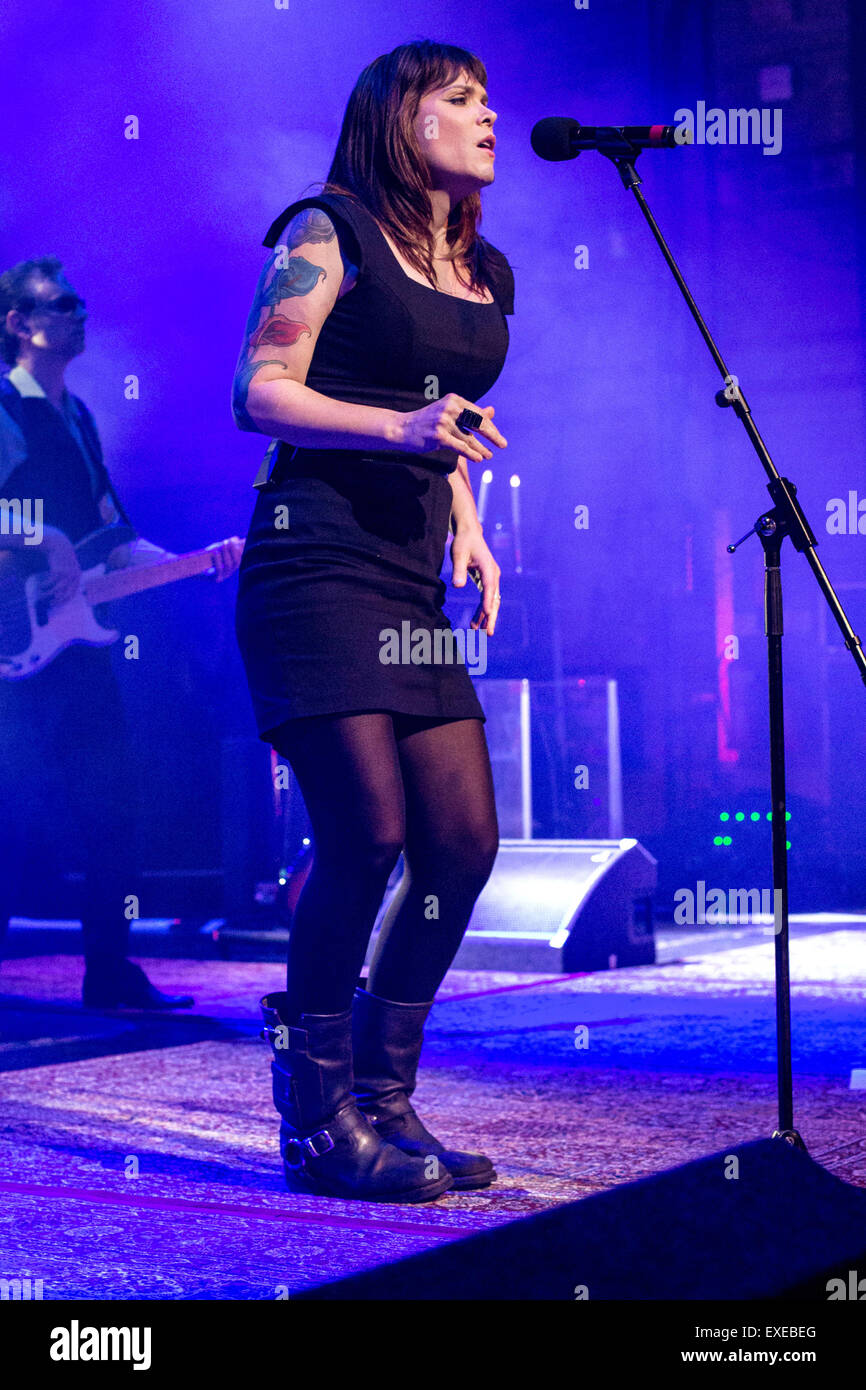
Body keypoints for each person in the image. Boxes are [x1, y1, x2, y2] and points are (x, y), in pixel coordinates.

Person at [234, 40, 514, 1203]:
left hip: (407, 574)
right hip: (314, 561)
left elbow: (440, 415)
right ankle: (314, 1112)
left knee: (461, 841)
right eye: (459, 100)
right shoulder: (325, 230)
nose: (487, 116)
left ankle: (384, 1098)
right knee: (369, 833)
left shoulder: (484, 266)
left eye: (486, 97)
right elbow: (261, 388)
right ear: (404, 121)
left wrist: (467, 516)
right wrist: (403, 438)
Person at [0, 256, 243, 1009]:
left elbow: (113, 539)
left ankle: (109, 971)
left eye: (80, 302)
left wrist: (193, 564)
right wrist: (43, 539)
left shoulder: (77, 416)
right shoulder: (5, 407)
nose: (78, 313)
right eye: (60, 303)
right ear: (19, 323)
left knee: (112, 802)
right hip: (12, 638)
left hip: (75, 646)